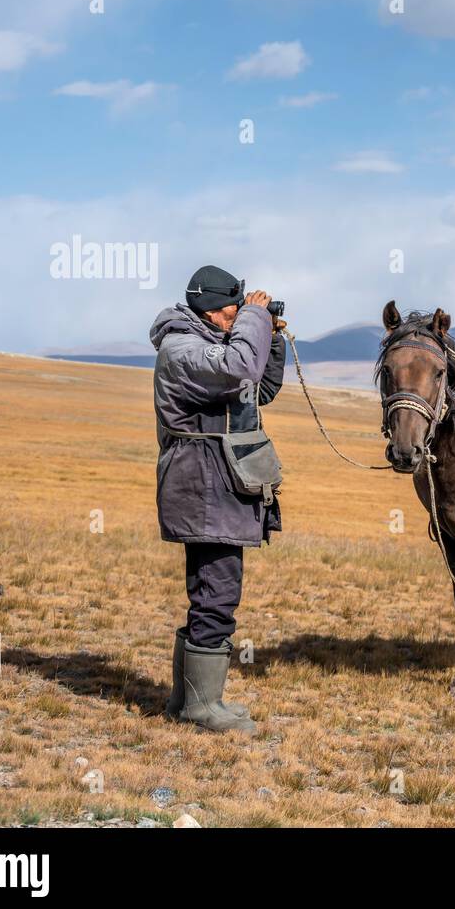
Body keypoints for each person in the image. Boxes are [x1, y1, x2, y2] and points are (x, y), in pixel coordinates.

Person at [148, 265, 286, 734]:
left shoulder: (209, 343)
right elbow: (239, 367)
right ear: (211, 308)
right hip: (203, 485)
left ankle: (188, 700)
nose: (237, 315)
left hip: (215, 483)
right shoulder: (182, 348)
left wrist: (272, 337)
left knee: (210, 590)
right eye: (234, 308)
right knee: (217, 593)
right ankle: (201, 707)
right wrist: (255, 320)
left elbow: (258, 387)